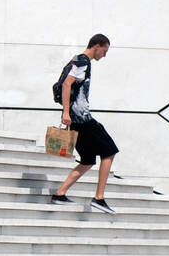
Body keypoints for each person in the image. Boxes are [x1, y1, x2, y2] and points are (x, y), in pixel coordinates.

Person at [50, 34, 119, 213]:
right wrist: (66, 112)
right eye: (104, 51)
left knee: (88, 159)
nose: (104, 55)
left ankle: (60, 194)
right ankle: (99, 198)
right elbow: (66, 84)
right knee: (110, 150)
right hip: (81, 118)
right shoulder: (83, 61)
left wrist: (66, 112)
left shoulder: (77, 60)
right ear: (96, 46)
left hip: (76, 118)